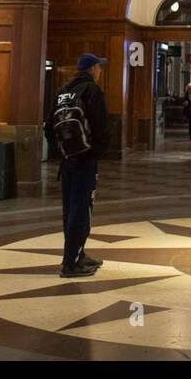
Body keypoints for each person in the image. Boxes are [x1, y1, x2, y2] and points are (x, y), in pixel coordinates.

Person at [50, 53, 111, 277]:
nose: (100, 71)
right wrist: (95, 152)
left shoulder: (62, 92)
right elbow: (101, 126)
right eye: (99, 67)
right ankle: (70, 263)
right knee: (82, 208)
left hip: (67, 161)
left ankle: (77, 254)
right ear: (93, 69)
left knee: (70, 207)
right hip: (85, 160)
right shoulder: (92, 90)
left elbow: (50, 126)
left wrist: (63, 153)